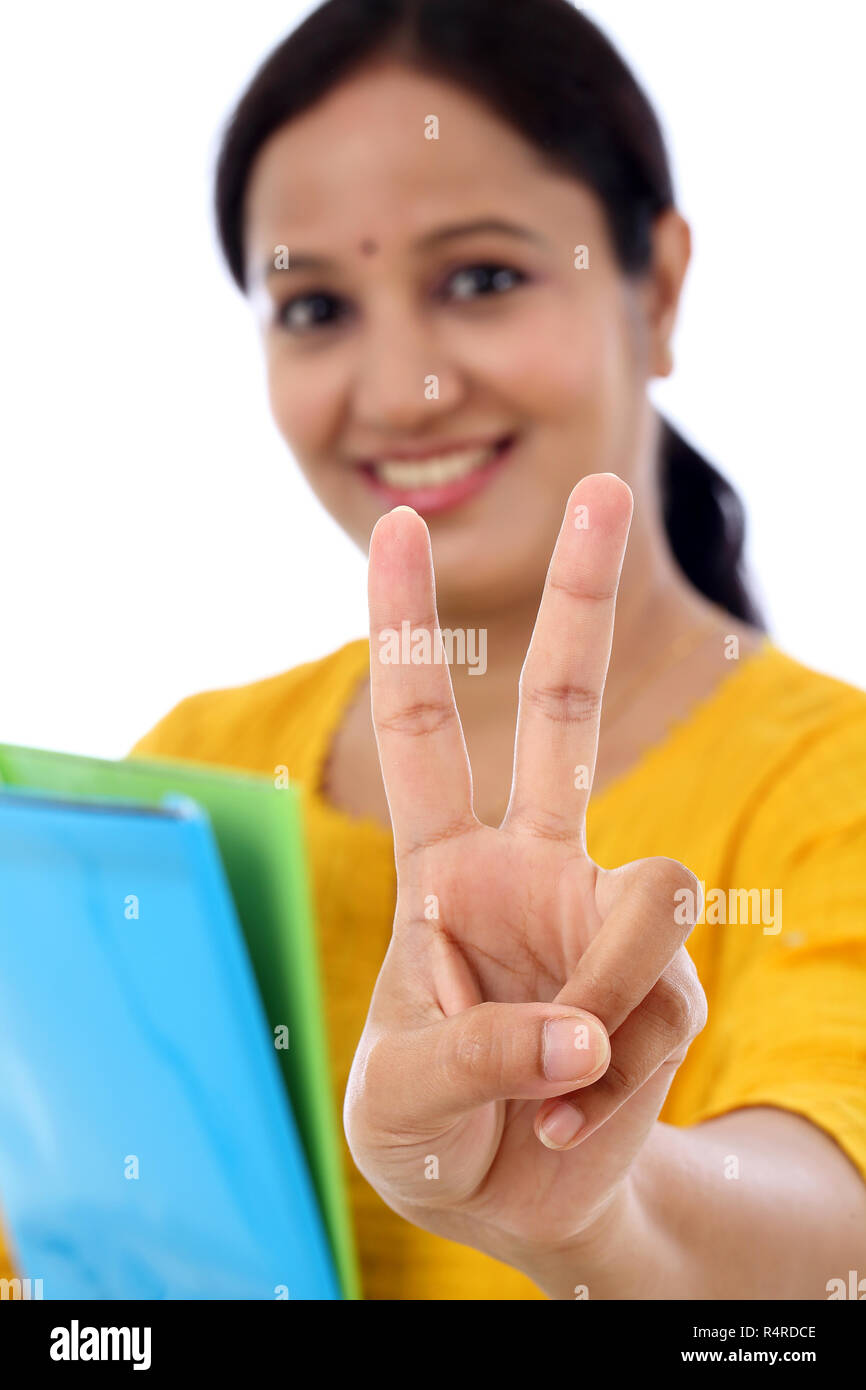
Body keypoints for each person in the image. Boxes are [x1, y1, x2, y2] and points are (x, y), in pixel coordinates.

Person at [5, 0, 859, 1300]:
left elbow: (825, 1231)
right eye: (313, 307)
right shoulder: (189, 773)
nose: (400, 383)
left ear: (662, 287)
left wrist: (596, 1205)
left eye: (480, 279)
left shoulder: (830, 791)